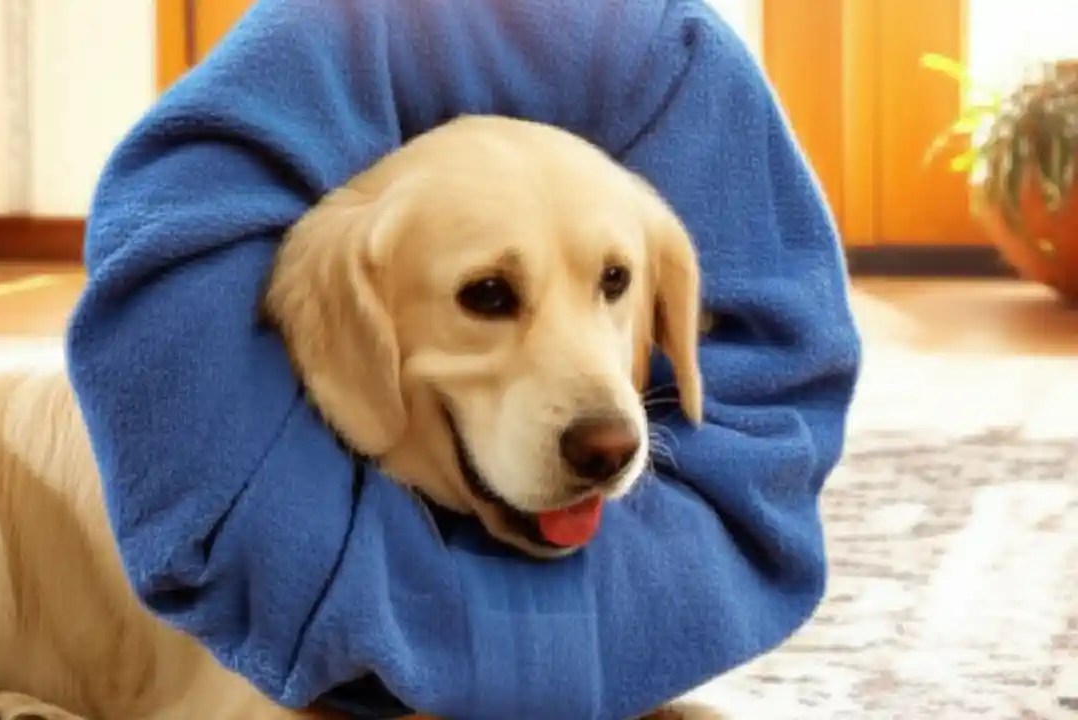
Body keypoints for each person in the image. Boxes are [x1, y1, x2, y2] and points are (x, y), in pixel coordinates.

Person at [65, 0, 862, 717]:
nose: (609, 425)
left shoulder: (662, 73)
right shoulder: (323, 292)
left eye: (612, 282)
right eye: (488, 295)